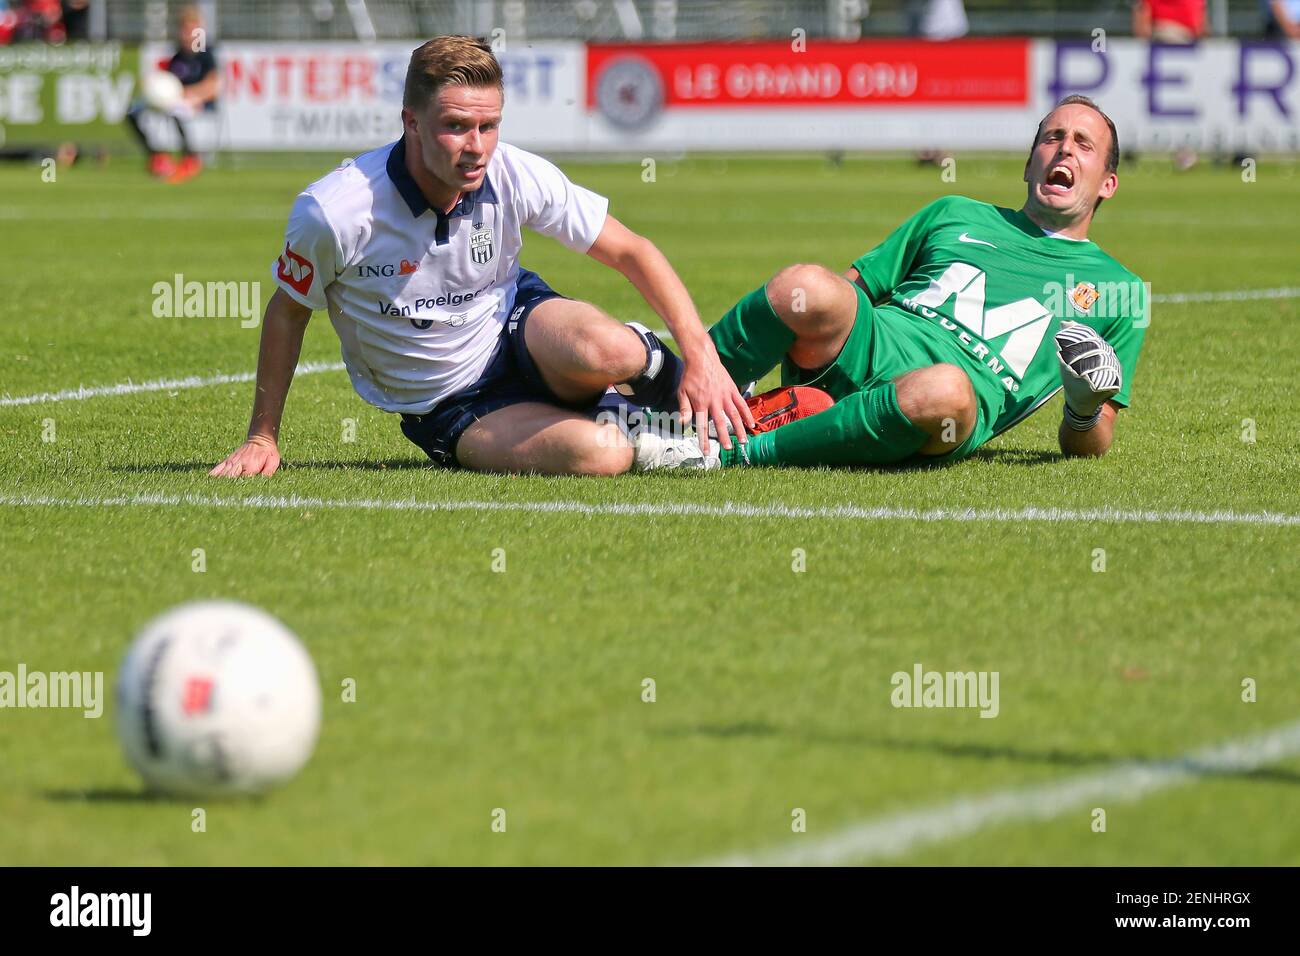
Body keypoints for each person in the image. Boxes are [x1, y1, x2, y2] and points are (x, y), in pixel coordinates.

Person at [211, 35, 751, 479]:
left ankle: (684, 384)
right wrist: (262, 437)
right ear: (412, 122)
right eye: (455, 126)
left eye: (488, 126)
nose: (476, 147)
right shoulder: (335, 211)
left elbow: (632, 250)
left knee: (606, 346)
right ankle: (628, 413)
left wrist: (702, 356)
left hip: (516, 327)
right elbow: (288, 312)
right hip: (447, 405)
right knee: (601, 454)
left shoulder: (512, 171)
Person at [634, 96, 1147, 472]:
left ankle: (719, 452)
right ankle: (664, 394)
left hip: (939, 407)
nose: (1063, 150)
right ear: (1029, 161)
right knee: (806, 285)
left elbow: (1090, 446)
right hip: (871, 345)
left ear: (1107, 182)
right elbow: (853, 287)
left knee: (946, 388)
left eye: (1083, 144)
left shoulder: (1121, 292)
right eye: (1051, 138)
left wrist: (1083, 409)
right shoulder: (955, 212)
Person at [124, 6, 219, 183]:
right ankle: (157, 156)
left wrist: (192, 94)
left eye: (192, 29)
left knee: (175, 109)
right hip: (175, 100)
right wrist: (151, 85)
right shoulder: (178, 56)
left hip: (197, 101)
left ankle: (190, 158)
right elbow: (167, 83)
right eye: (184, 28)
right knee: (132, 111)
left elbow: (214, 86)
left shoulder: (206, 55)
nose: (188, 33)